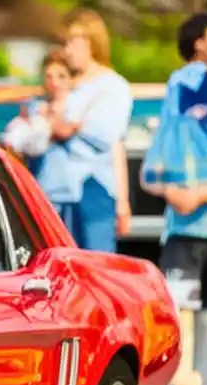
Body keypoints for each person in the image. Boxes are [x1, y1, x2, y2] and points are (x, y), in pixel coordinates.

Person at [142, 14, 207, 385]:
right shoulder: (183, 86)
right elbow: (162, 153)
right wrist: (168, 187)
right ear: (199, 42)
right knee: (179, 300)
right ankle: (180, 380)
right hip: (187, 218)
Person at [53, 9, 133, 254]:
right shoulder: (62, 83)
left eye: (73, 44)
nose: (67, 51)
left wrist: (122, 200)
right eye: (65, 44)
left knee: (96, 263)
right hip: (56, 189)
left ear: (92, 44)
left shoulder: (112, 86)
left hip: (94, 186)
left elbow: (111, 140)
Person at [2, 51, 79, 209]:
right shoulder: (34, 105)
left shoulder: (76, 106)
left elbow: (65, 131)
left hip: (68, 191)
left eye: (61, 76)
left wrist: (50, 118)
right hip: (39, 187)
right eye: (49, 76)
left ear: (71, 80)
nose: (54, 82)